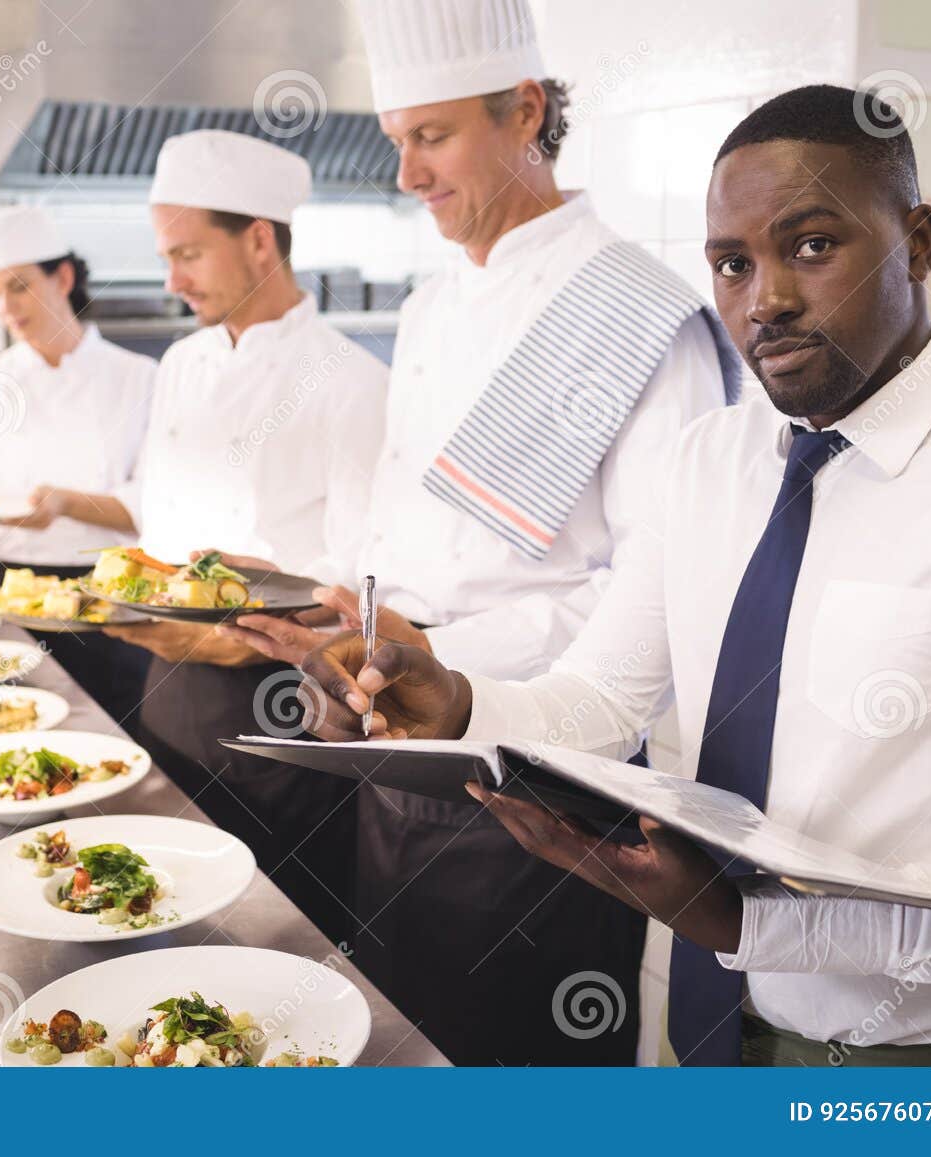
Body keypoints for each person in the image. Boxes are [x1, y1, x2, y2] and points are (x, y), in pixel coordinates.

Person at [298, 84, 931, 1067]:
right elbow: (599, 698)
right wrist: (454, 700)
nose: (768, 299)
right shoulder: (707, 463)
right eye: (731, 263)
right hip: (701, 1030)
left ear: (917, 242)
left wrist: (757, 922)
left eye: (811, 246)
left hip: (913, 1067)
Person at [216, 0, 740, 1066]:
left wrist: (442, 652)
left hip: (539, 785)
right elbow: (404, 538)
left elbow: (661, 591)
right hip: (392, 752)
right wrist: (329, 609)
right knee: (398, 1046)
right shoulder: (428, 307)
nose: (404, 173)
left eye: (431, 134)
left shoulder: (638, 309)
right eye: (394, 138)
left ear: (525, 111)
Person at [46, 129, 388, 942]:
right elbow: (160, 530)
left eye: (189, 253)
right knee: (168, 920)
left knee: (280, 935)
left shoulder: (353, 381)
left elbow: (363, 575)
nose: (172, 280)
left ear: (259, 239)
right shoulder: (182, 364)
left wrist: (243, 631)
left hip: (278, 711)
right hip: (165, 689)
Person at [0, 204, 157, 728]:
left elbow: (155, 508)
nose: (5, 306)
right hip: (9, 598)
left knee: (123, 748)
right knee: (16, 743)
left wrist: (64, 504)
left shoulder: (138, 377)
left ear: (63, 277)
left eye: (19, 286)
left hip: (112, 601)